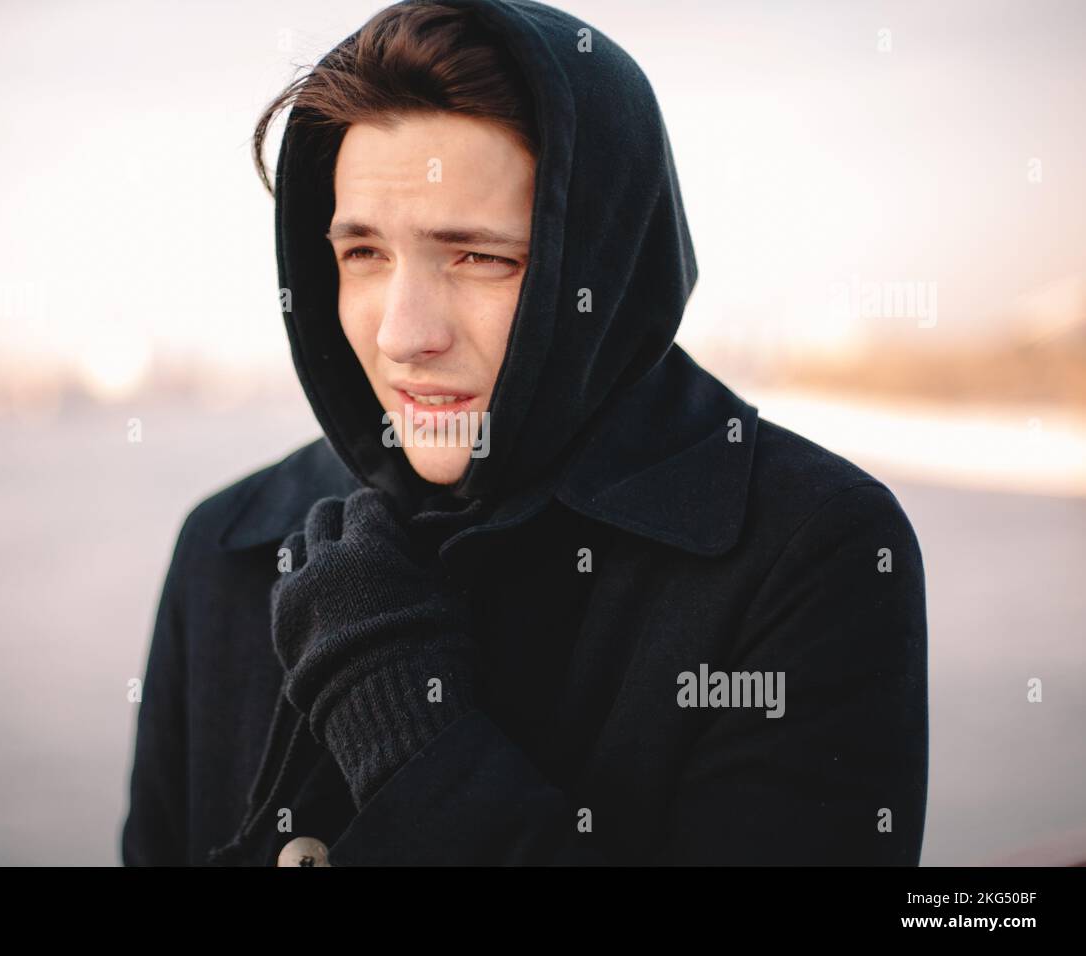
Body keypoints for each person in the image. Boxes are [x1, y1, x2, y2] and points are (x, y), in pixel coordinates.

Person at [121, 0, 929, 866]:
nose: (403, 333)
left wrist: (402, 721)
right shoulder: (235, 545)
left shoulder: (810, 549)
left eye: (478, 257)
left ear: (603, 265)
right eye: (363, 254)